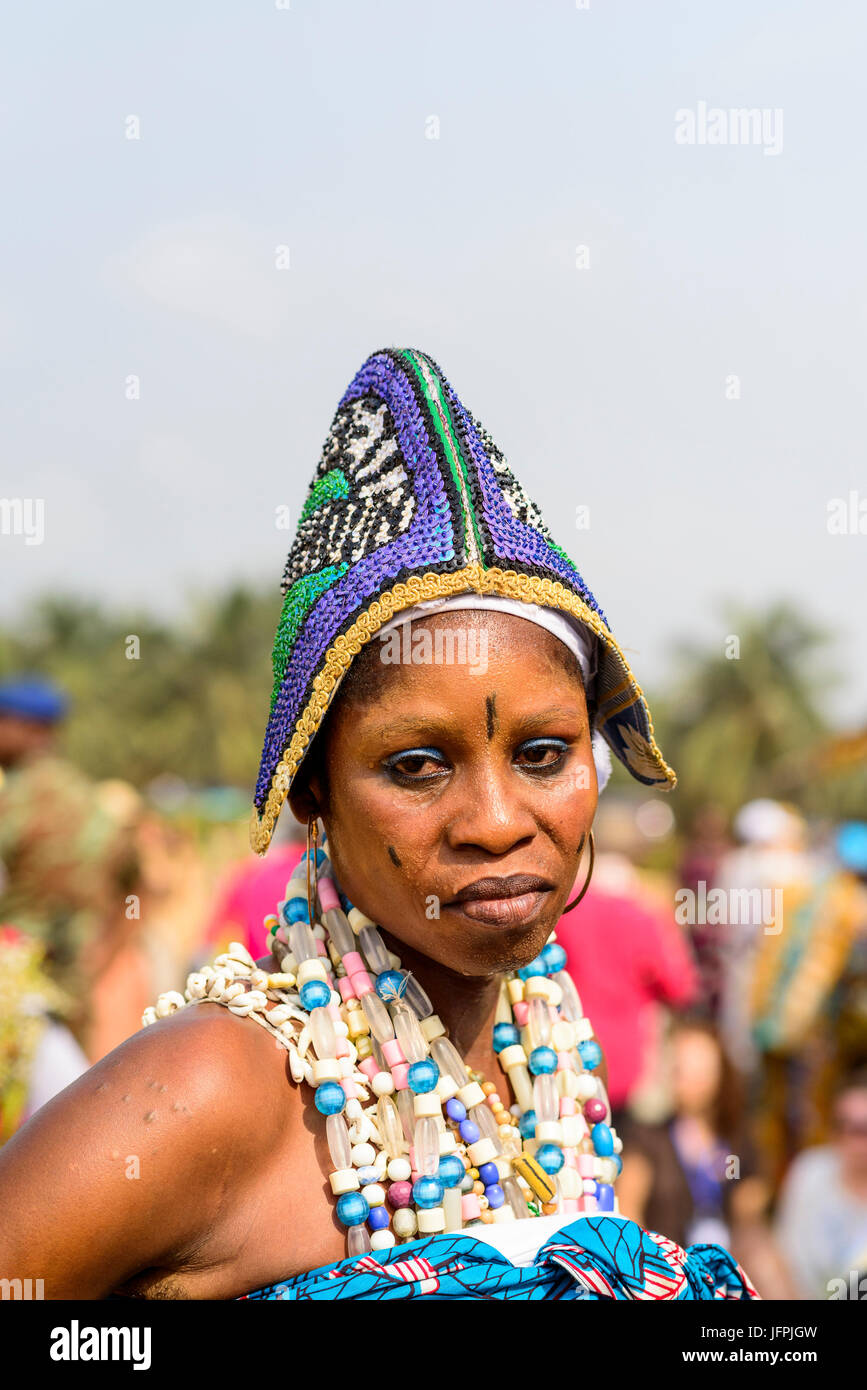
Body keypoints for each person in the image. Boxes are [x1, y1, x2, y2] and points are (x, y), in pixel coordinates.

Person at [0, 348, 757, 1301]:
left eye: (542, 755)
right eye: (415, 766)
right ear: (310, 790)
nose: (493, 821)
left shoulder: (548, 1059)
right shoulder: (214, 1090)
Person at [775, 1068, 867, 1299]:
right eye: (843, 1125)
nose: (853, 1139)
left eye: (862, 1129)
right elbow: (784, 1256)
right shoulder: (810, 1172)